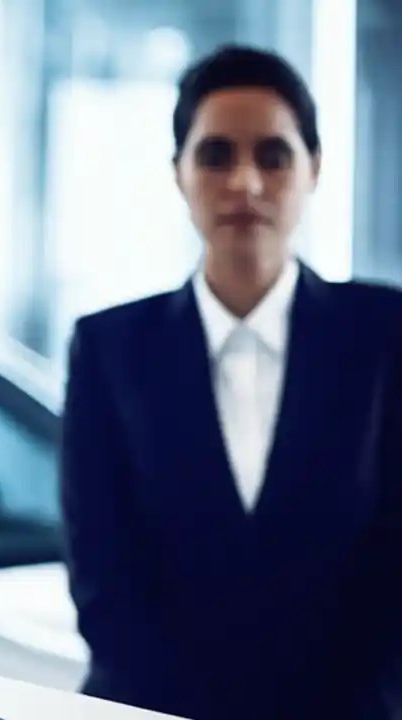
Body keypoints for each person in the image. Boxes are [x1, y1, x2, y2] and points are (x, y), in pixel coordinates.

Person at [60, 45, 402, 719]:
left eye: (272, 155)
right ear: (179, 173)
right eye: (216, 154)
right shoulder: (110, 348)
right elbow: (104, 579)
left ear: (315, 169)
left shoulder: (385, 335)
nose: (244, 182)